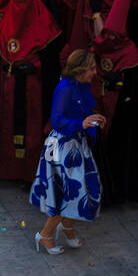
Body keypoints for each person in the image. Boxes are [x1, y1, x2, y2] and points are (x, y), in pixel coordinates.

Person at [30, 49, 104, 254]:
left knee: (85, 190)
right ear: (80, 70)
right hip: (62, 148)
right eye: (91, 68)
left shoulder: (83, 85)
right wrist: (82, 122)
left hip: (77, 145)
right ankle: (44, 235)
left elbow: (85, 110)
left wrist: (93, 119)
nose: (94, 72)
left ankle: (68, 228)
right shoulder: (64, 88)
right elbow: (57, 120)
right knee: (65, 193)